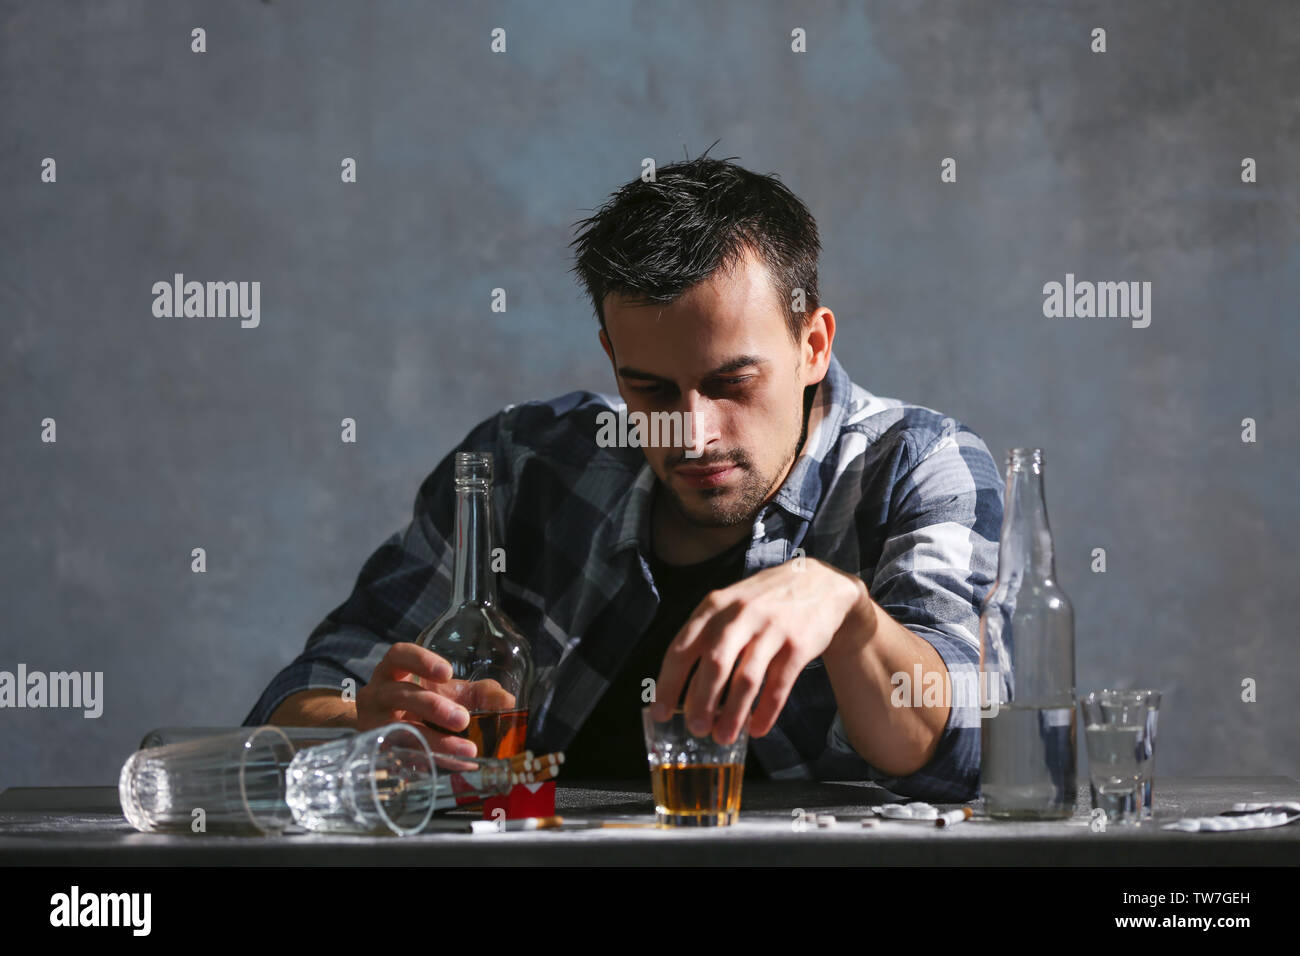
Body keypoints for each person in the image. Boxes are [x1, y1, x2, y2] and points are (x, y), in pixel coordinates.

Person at [243, 151, 1003, 801]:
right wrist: (367, 724)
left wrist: (848, 613)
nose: (693, 431)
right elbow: (295, 698)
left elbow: (963, 742)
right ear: (612, 358)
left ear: (813, 344)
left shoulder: (920, 466)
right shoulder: (524, 467)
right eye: (653, 390)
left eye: (733, 384)